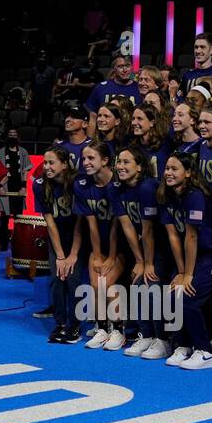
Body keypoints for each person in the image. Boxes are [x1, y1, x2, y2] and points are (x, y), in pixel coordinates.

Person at [158, 152, 212, 369]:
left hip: (210, 257)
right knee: (170, 296)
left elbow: (192, 236)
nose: (168, 172)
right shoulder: (167, 195)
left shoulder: (195, 195)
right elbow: (172, 236)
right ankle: (183, 344)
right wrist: (180, 271)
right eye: (167, 168)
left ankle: (205, 351)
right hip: (188, 259)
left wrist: (188, 275)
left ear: (188, 173)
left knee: (187, 298)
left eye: (174, 169)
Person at [113, 147, 167, 357]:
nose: (121, 166)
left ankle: (162, 339)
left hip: (161, 248)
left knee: (150, 285)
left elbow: (149, 229)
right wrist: (139, 260)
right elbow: (127, 226)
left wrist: (148, 263)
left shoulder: (148, 187)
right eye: (119, 162)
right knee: (137, 282)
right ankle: (146, 336)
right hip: (142, 249)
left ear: (140, 167)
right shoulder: (116, 189)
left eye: (126, 162)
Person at [74, 142, 125, 348]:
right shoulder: (82, 185)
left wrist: (111, 257)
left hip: (122, 246)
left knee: (107, 283)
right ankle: (102, 327)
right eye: (84, 158)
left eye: (91, 158)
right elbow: (91, 222)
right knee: (96, 284)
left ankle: (119, 330)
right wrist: (97, 254)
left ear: (105, 161)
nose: (85, 163)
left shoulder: (118, 184)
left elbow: (115, 225)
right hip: (98, 243)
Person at [37, 148, 85, 343]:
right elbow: (50, 222)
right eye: (45, 163)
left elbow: (81, 222)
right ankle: (60, 324)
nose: (47, 167)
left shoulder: (77, 184)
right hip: (57, 238)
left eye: (51, 163)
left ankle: (74, 325)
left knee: (72, 278)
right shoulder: (40, 186)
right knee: (58, 277)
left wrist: (72, 255)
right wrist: (60, 256)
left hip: (79, 237)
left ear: (64, 164)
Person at [0, 126, 30, 251]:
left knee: (18, 218)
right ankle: (3, 244)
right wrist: (0, 187)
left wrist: (24, 187)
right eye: (10, 133)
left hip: (18, 188)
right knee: (4, 218)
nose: (12, 136)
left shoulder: (23, 151)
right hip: (5, 187)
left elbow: (26, 170)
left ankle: (18, 243)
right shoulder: (1, 152)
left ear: (18, 137)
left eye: (14, 134)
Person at [129, 104, 172, 181]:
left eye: (139, 119)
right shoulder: (132, 147)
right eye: (133, 119)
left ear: (152, 122)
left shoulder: (166, 144)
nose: (134, 123)